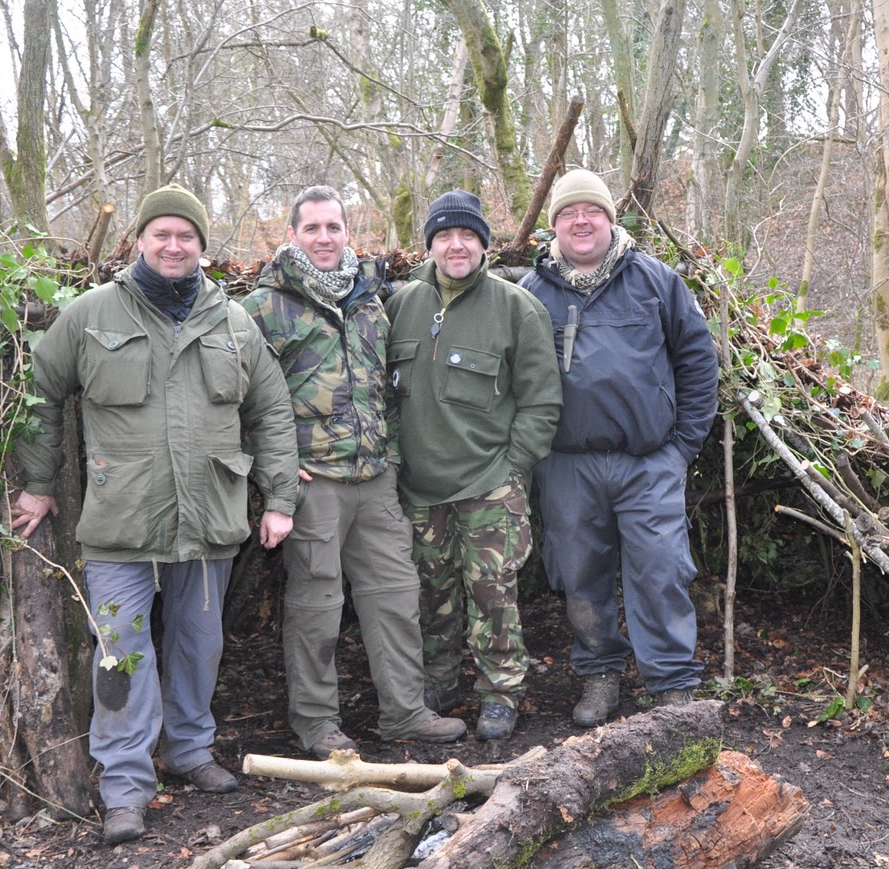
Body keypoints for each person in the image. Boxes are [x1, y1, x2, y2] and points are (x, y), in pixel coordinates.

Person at [12, 184, 299, 845]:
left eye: (186, 236)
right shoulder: (91, 314)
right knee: (120, 653)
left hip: (208, 518)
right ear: (138, 240)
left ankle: (190, 748)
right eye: (161, 234)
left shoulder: (233, 323)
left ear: (202, 245)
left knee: (200, 643)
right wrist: (39, 482)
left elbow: (271, 411)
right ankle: (124, 785)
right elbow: (41, 390)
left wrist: (280, 498)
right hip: (121, 520)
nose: (174, 246)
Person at [243, 186, 466, 757]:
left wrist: (390, 456)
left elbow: (386, 386)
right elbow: (240, 400)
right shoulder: (262, 308)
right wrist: (276, 471)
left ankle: (405, 712)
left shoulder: (370, 298)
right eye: (312, 228)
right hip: (313, 483)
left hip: (375, 478)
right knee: (316, 607)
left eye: (333, 227)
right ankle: (316, 723)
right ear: (292, 235)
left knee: (395, 594)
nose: (324, 238)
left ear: (348, 232)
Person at [519, 170, 718, 726]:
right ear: (554, 225)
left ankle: (672, 686)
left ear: (610, 218)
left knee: (661, 570)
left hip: (648, 461)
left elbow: (698, 361)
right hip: (566, 465)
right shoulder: (531, 293)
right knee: (577, 573)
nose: (580, 221)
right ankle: (600, 674)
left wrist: (681, 448)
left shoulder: (655, 280)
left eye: (592, 211)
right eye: (568, 213)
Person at [385, 190, 561, 740]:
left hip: (489, 485)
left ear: (484, 244)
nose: (455, 245)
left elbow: (542, 401)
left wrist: (513, 468)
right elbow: (383, 395)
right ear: (430, 245)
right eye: (444, 236)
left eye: (467, 235)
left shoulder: (516, 308)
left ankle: (501, 692)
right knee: (429, 597)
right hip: (419, 488)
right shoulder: (400, 305)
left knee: (493, 596)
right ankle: (436, 686)